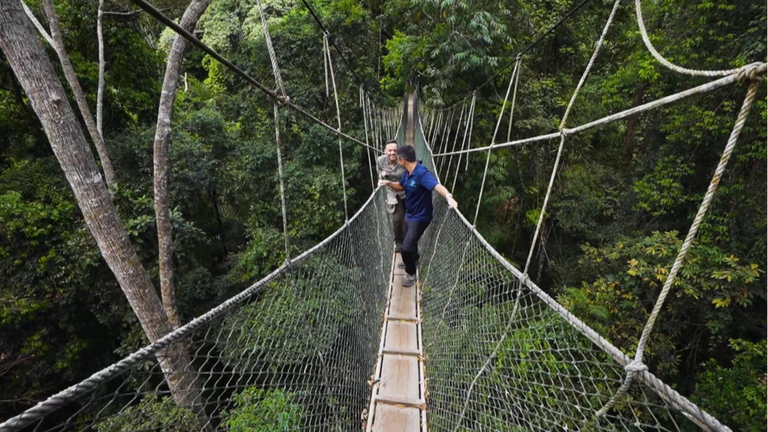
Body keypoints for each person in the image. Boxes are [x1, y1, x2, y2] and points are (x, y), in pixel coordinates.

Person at [378, 145, 457, 287]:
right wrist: (388, 182)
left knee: (406, 248)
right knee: (407, 240)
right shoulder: (408, 173)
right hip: (410, 213)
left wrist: (448, 196)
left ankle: (410, 272)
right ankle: (414, 258)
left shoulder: (421, 173)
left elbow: (436, 185)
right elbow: (401, 186)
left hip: (421, 217)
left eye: (398, 157)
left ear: (402, 160)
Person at [377, 140, 406, 251]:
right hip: (394, 194)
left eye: (395, 150)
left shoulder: (403, 160)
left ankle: (410, 241)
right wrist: (381, 174)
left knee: (409, 218)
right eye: (389, 150)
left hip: (407, 191)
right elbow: (379, 171)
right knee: (398, 219)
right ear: (385, 151)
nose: (392, 153)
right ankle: (399, 242)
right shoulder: (380, 160)